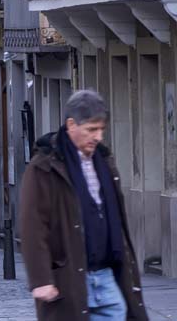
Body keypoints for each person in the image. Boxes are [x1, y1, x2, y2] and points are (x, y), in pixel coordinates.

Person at [18, 89, 147, 321]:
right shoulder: (44, 167)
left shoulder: (104, 162)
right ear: (71, 125)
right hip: (69, 279)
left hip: (107, 277)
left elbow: (115, 218)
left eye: (101, 130)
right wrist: (41, 279)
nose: (98, 137)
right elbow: (32, 225)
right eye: (91, 129)